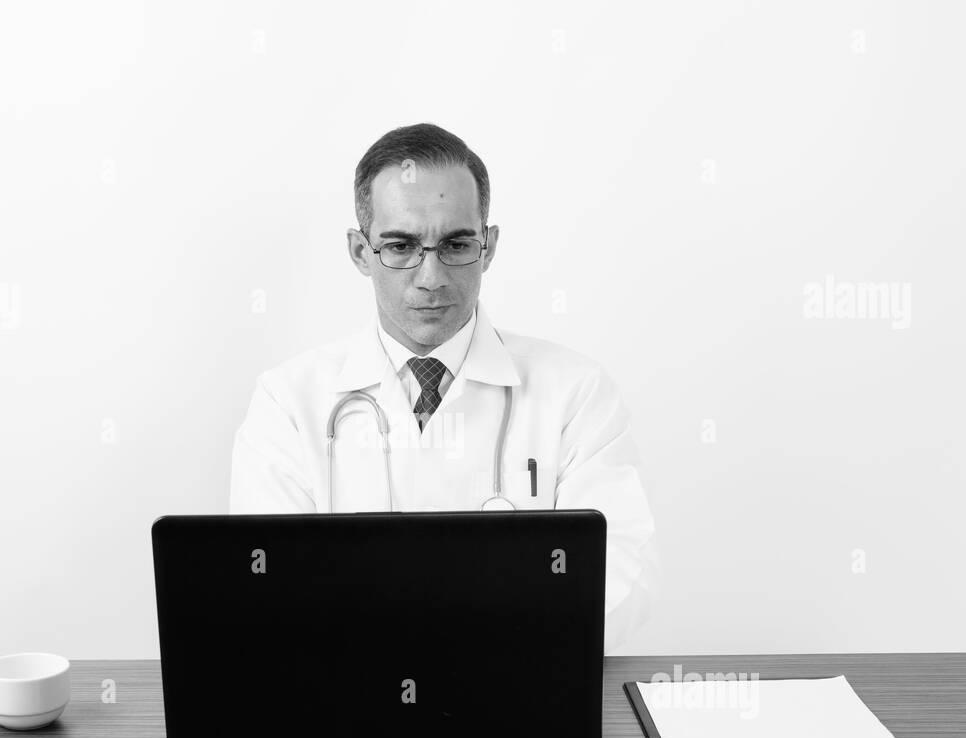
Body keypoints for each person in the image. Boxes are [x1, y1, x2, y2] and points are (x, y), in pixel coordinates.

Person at [229, 122, 660, 651]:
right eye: (400, 245)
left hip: (517, 695)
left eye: (456, 244)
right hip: (346, 705)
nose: (430, 276)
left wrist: (486, 653)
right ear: (361, 252)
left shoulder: (576, 392)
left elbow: (622, 571)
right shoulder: (288, 402)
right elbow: (268, 587)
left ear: (489, 246)